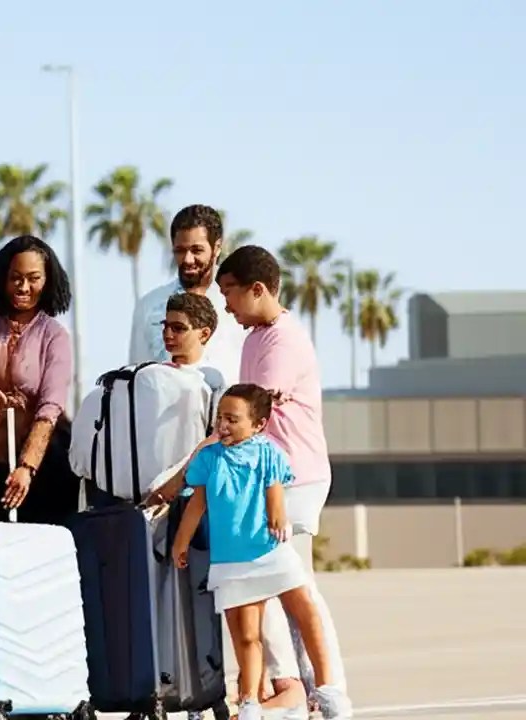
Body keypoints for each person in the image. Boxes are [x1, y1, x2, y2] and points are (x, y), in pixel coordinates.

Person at [215, 245, 349, 715]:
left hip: (296, 478)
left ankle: (330, 691)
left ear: (257, 289)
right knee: (268, 588)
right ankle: (298, 692)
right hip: (265, 481)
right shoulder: (254, 338)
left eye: (230, 293)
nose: (226, 305)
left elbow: (248, 419)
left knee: (296, 589)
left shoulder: (284, 341)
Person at [170, 384, 352, 720]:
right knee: (247, 636)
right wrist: (181, 542)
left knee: (307, 611)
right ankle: (250, 702)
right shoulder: (209, 459)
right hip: (231, 562)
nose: (223, 425)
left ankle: (329, 690)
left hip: (270, 551)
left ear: (258, 425)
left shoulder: (268, 453)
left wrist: (278, 514)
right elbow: (197, 504)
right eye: (220, 418)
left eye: (232, 419)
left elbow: (274, 488)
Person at [0, 235, 76, 524]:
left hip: (45, 464)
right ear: (2, 277)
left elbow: (50, 407)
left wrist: (27, 467)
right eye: (15, 278)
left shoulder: (55, 335)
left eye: (33, 278)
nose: (23, 287)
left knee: (41, 539)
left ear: (47, 281)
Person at [74, 292, 226, 504]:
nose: (168, 334)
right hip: (126, 499)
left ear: (204, 334)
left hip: (186, 497)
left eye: (178, 328)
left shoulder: (212, 381)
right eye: (165, 326)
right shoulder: (144, 378)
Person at [129, 204, 246, 386]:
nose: (187, 259)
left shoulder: (241, 303)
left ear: (217, 248)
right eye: (180, 250)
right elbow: (136, 378)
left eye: (196, 250)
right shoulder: (150, 306)